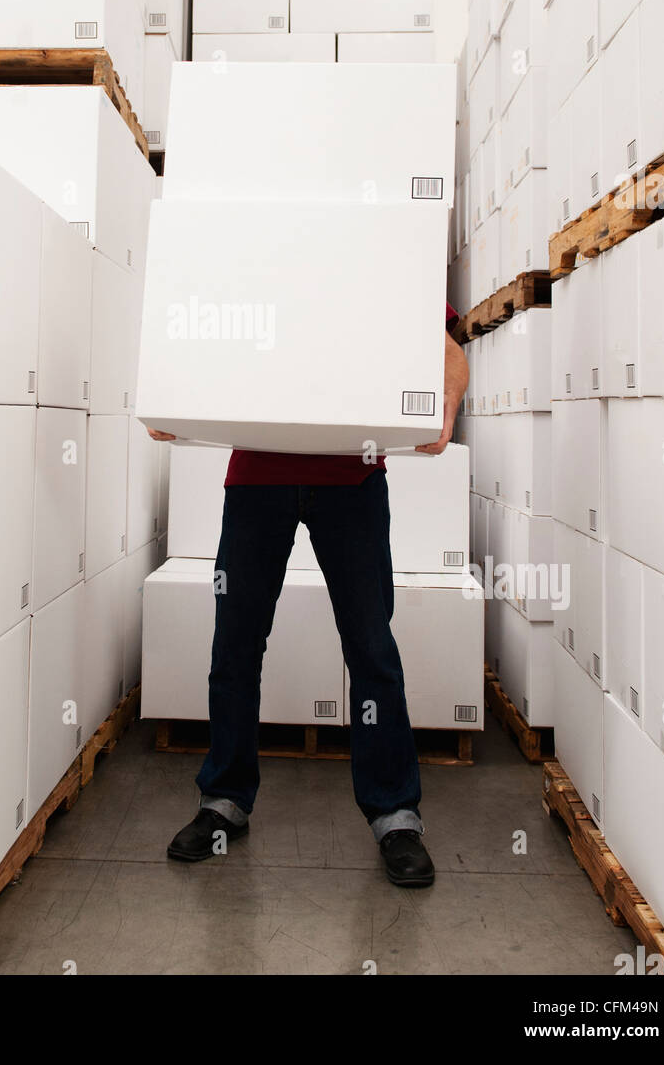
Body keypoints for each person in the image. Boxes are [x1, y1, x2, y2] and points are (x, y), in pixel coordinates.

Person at [148, 301, 466, 888]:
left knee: (371, 647)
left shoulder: (376, 254)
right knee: (236, 644)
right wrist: (166, 393)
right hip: (257, 479)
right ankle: (224, 800)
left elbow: (439, 338)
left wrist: (446, 401)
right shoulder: (259, 252)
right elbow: (193, 326)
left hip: (353, 476)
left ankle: (395, 815)